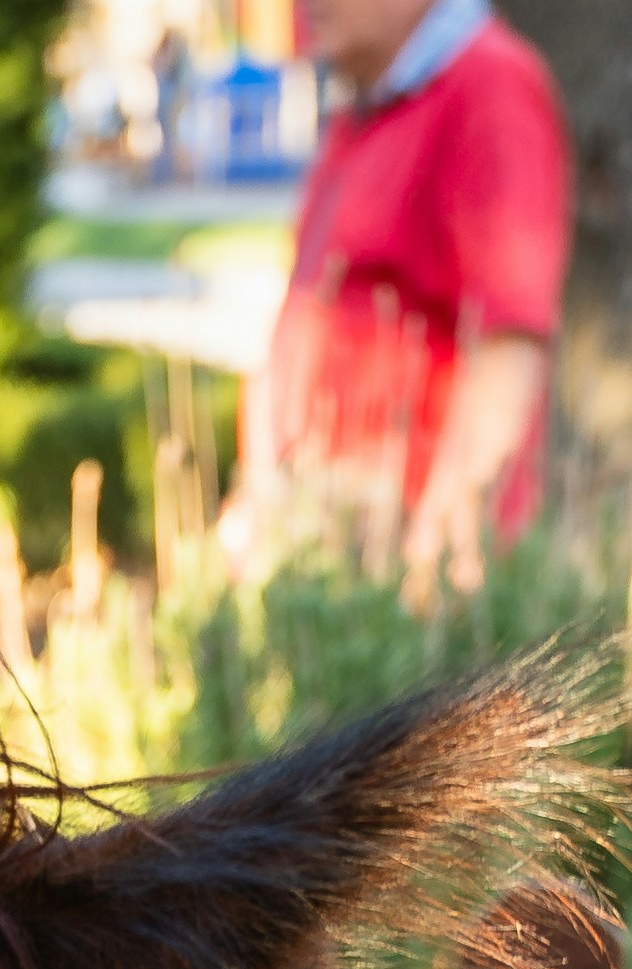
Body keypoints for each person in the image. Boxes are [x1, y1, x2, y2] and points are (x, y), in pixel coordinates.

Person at [235, 0, 573, 582]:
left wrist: (436, 554)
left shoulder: (489, 85)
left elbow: (508, 347)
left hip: (402, 566)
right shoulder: (366, 103)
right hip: (323, 548)